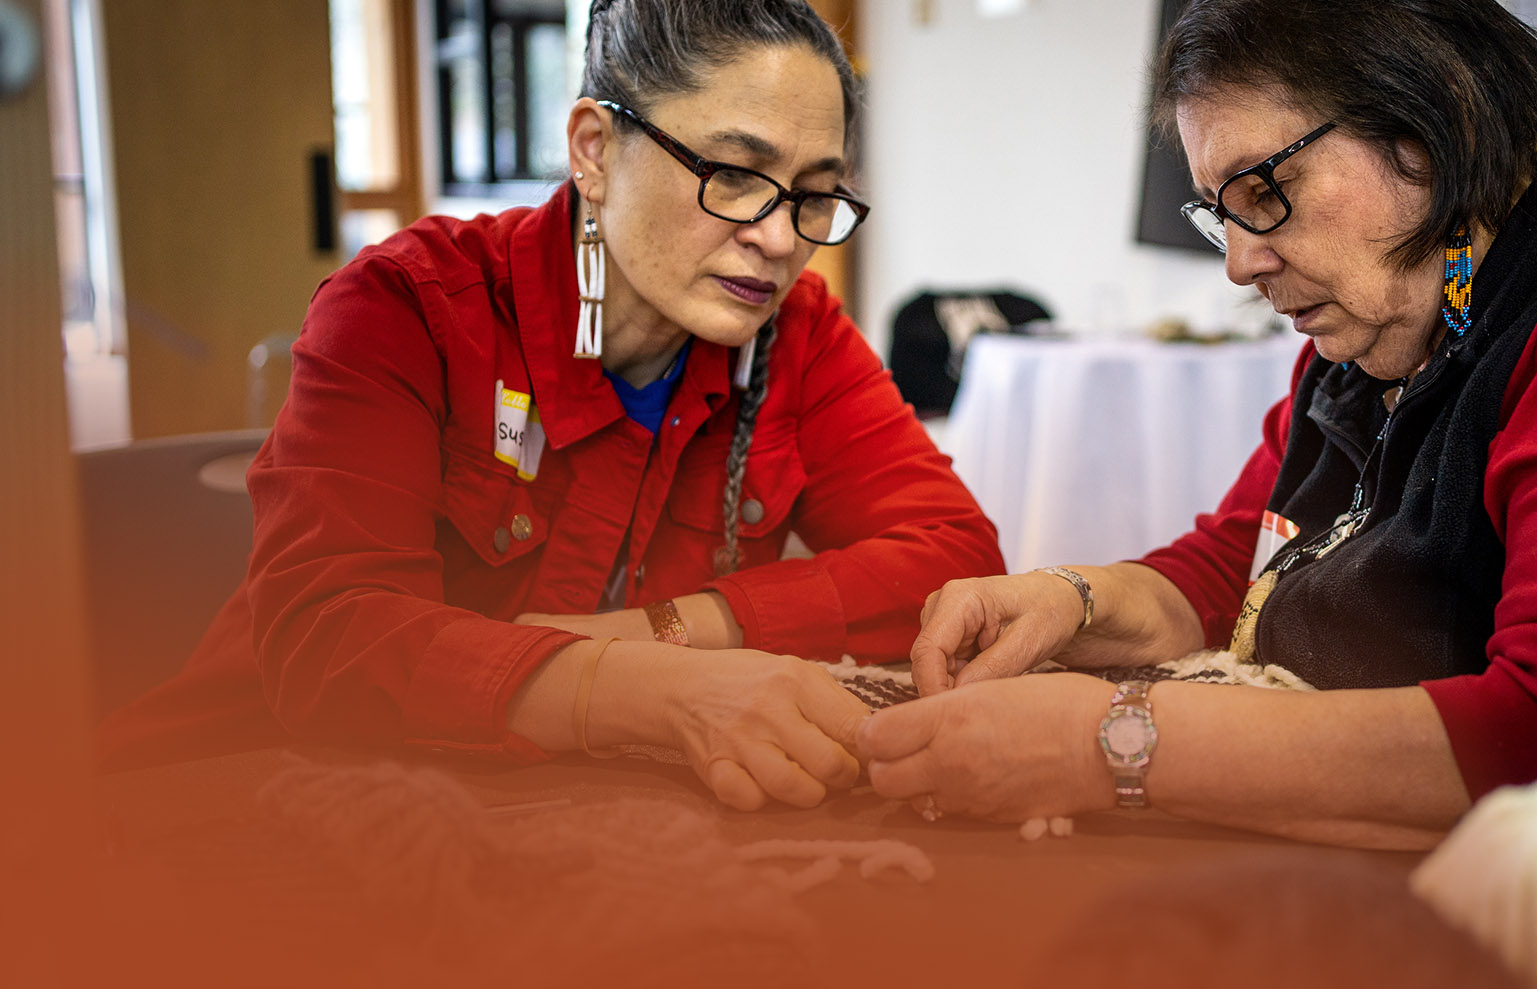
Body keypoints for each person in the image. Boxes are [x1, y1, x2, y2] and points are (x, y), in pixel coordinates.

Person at [859, 0, 1537, 848]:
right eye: (1220, 212)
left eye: (1265, 193)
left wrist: (1110, 740)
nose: (1239, 265)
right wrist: (1069, 598)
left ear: (1423, 129)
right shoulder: (1377, 332)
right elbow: (1235, 570)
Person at [100, 0, 1005, 812]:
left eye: (814, 194)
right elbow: (332, 637)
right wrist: (660, 689)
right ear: (594, 150)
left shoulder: (795, 335)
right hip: (252, 802)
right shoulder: (408, 308)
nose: (776, 238)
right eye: (733, 172)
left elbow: (954, 555)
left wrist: (665, 631)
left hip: (559, 818)